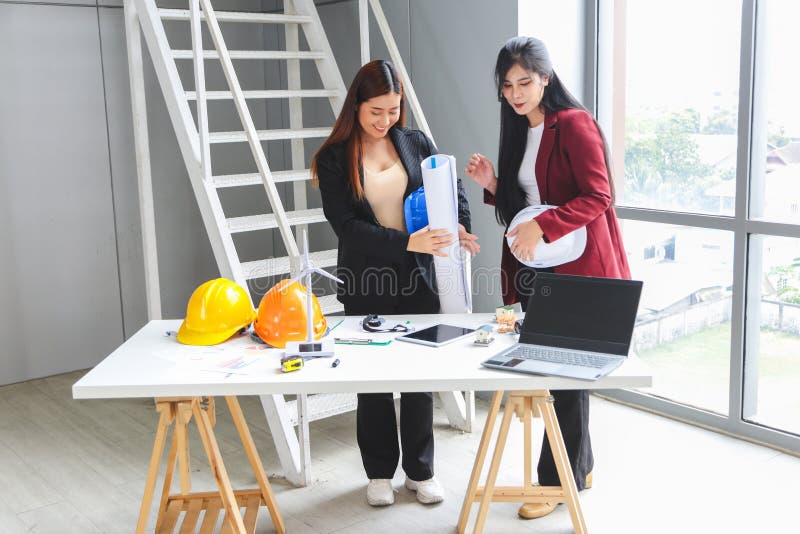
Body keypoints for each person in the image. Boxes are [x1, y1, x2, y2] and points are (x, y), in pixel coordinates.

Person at [465, 36, 630, 520]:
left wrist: (544, 225)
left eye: (524, 82)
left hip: (576, 266)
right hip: (537, 265)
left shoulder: (575, 124)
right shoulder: (520, 130)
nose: (515, 93)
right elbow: (528, 203)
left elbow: (599, 195)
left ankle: (557, 481)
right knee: (556, 369)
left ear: (545, 78)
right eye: (507, 85)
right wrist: (494, 186)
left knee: (564, 373)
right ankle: (580, 467)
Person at [312, 59, 478, 507]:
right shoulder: (334, 158)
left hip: (419, 279)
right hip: (367, 281)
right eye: (376, 111)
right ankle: (379, 473)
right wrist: (408, 242)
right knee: (374, 382)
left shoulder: (414, 141)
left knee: (419, 378)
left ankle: (421, 472)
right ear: (356, 105)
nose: (385, 120)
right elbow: (347, 227)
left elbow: (451, 187)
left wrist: (459, 225)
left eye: (393, 110)